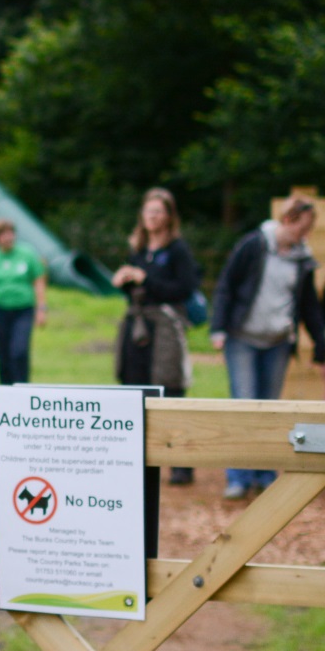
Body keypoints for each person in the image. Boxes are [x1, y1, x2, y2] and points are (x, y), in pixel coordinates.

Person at [211, 195, 325, 499]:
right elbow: (226, 285)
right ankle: (238, 477)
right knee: (245, 403)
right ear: (288, 220)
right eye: (303, 227)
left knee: (271, 406)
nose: (306, 234)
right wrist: (218, 327)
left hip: (277, 342)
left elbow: (308, 304)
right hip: (242, 338)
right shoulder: (253, 245)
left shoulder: (303, 259)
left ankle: (264, 474)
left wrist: (320, 343)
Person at [112, 187, 200, 487]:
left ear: (168, 216)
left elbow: (184, 289)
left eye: (158, 211)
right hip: (137, 325)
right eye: (148, 211)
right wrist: (123, 281)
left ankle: (180, 466)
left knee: (169, 390)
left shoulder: (178, 250)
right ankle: (134, 462)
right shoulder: (137, 249)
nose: (152, 216)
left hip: (164, 327)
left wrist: (145, 279)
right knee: (132, 391)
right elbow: (135, 292)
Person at [0, 219, 46, 385]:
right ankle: (5, 392)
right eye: (3, 234)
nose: (7, 237)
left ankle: (22, 388)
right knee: (3, 354)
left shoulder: (27, 253)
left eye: (10, 233)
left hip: (23, 310)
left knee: (19, 351)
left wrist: (42, 308)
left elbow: (39, 281)